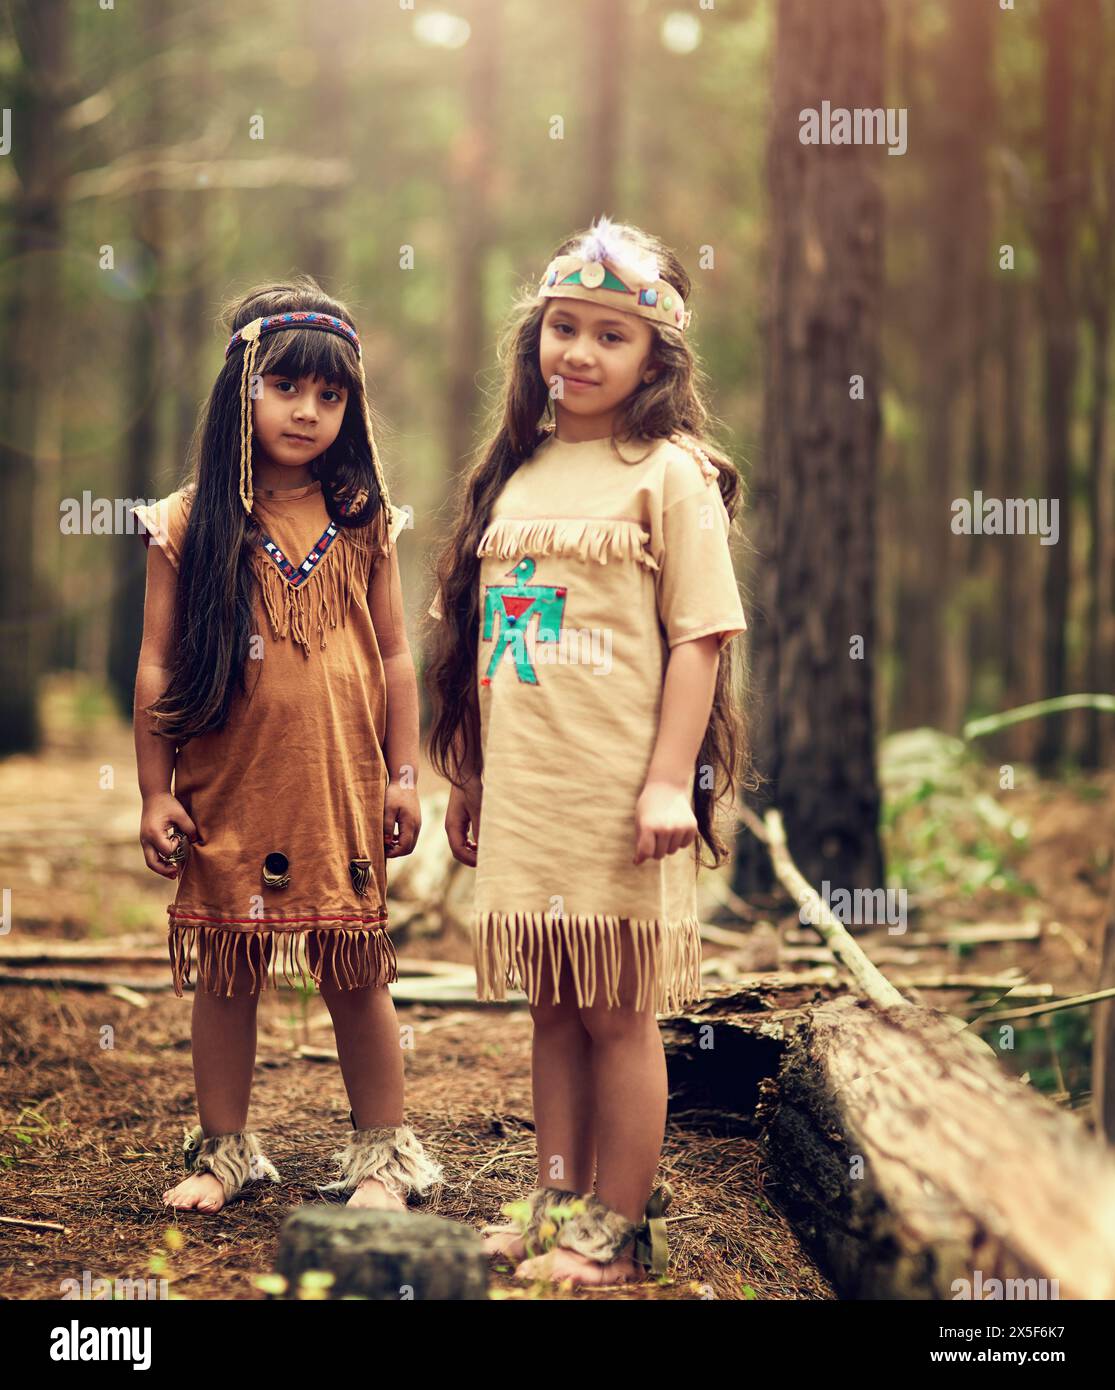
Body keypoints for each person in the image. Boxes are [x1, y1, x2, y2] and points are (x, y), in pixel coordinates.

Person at [425, 217, 758, 1285]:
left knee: (615, 1011)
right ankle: (555, 1199)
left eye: (608, 336)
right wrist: (470, 777)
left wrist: (671, 780)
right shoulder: (513, 474)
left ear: (654, 358)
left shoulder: (667, 473)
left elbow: (698, 637)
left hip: (622, 795)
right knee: (552, 1007)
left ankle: (615, 1228)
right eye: (560, 327)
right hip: (529, 791)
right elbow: (492, 649)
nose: (576, 352)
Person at [133, 277, 442, 1216]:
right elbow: (153, 664)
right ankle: (223, 1152)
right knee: (227, 970)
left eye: (331, 395)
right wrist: (154, 792)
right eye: (286, 388)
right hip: (228, 783)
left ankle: (383, 1158)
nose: (308, 411)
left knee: (354, 968)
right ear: (243, 391)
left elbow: (394, 654)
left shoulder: (362, 519)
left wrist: (403, 774)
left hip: (341, 785)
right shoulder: (189, 521)